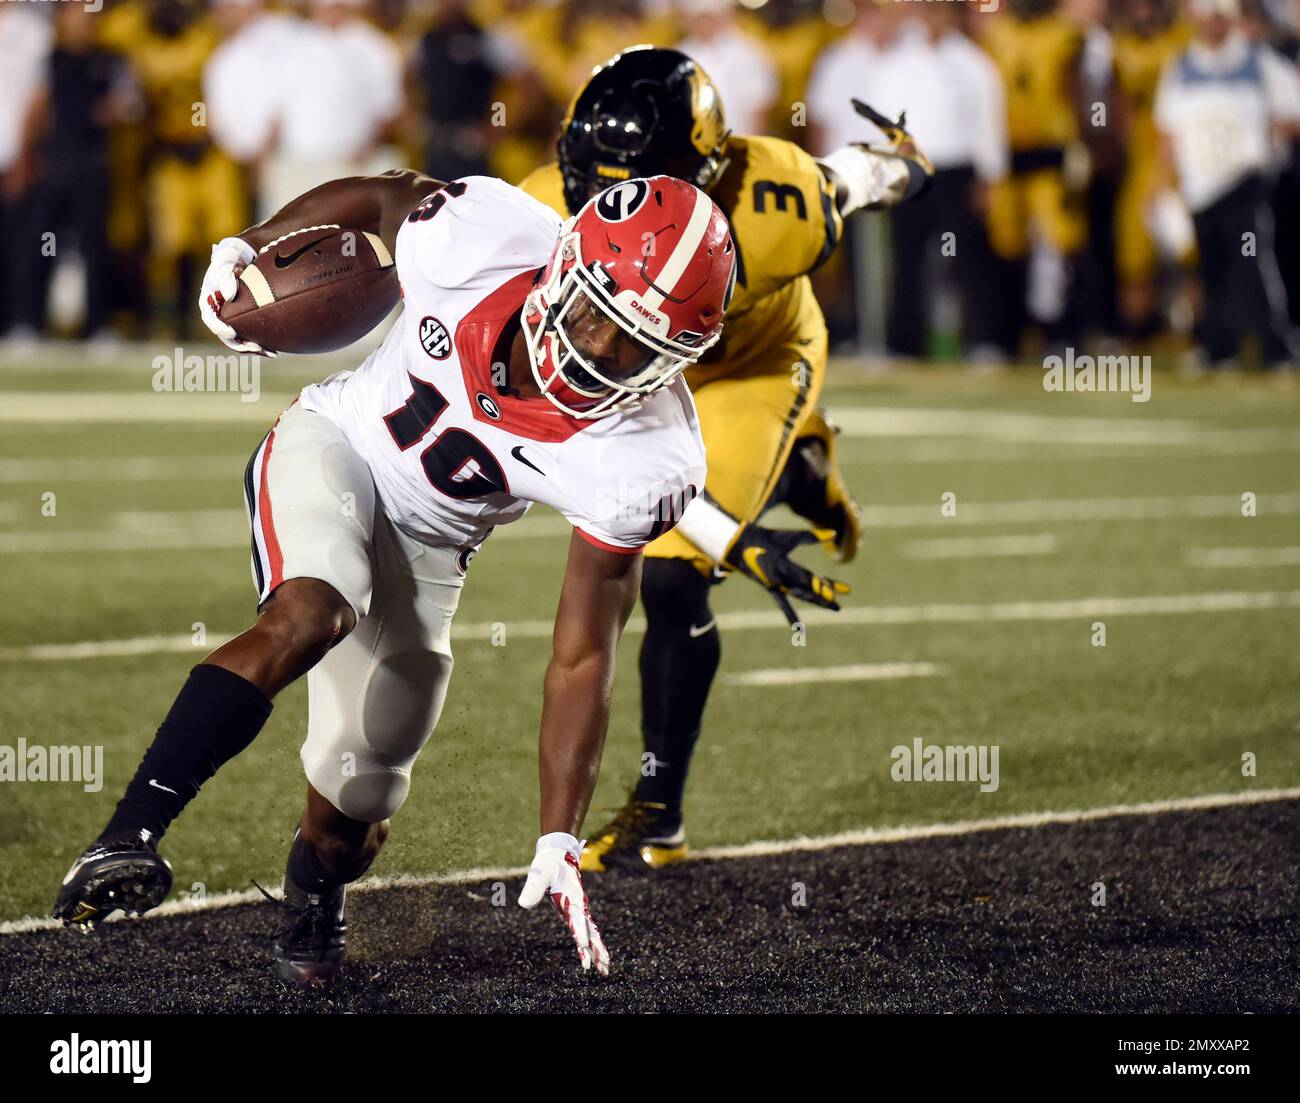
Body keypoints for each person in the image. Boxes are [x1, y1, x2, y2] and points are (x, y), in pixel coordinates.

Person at [53, 167, 737, 983]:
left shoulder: (644, 460)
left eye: (641, 348)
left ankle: (313, 898)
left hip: (431, 547)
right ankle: (127, 836)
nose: (603, 355)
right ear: (562, 263)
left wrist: (559, 832)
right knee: (312, 611)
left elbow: (584, 649)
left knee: (358, 807)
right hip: (337, 443)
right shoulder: (484, 237)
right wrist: (252, 242)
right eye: (598, 318)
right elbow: (384, 195)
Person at [520, 46, 932, 873]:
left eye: (634, 185)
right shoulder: (537, 212)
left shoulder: (777, 198)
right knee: (666, 539)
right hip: (642, 383)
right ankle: (799, 472)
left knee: (673, 577)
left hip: (754, 364)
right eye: (592, 181)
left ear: (705, 172)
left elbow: (866, 176)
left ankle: (660, 810)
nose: (608, 207)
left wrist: (905, 162)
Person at [1154, 0, 1300, 371]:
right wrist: (1160, 183)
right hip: (1200, 187)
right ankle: (1220, 347)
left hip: (1245, 185)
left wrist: (1263, 139)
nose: (1215, 26)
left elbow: (1291, 113)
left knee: (1252, 263)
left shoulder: (1257, 62)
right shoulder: (1182, 66)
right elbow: (1168, 132)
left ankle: (1275, 347)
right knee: (1210, 267)